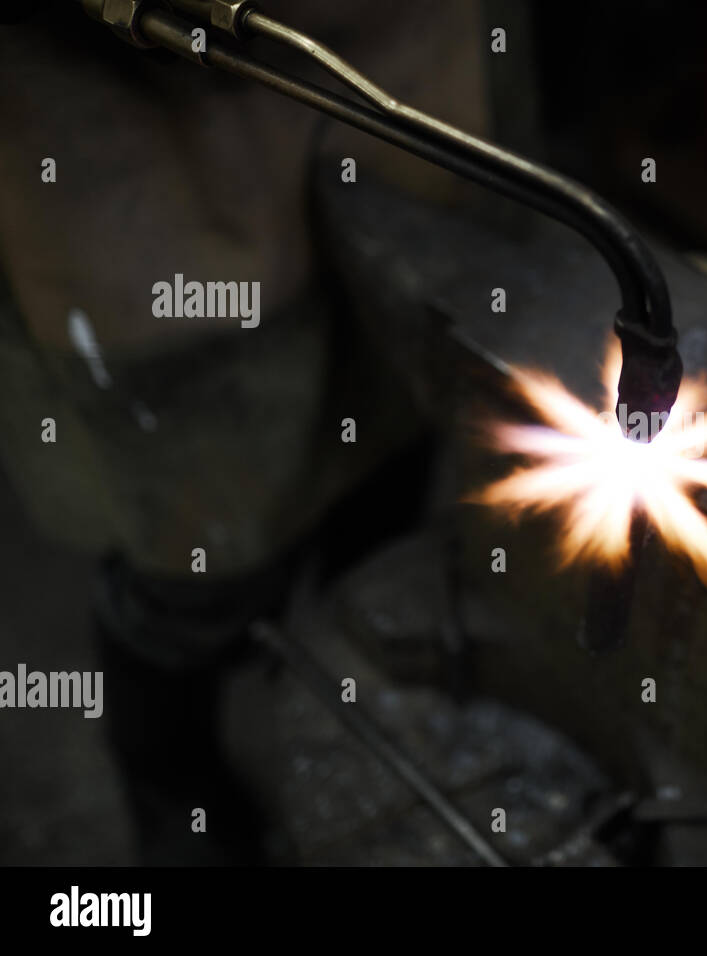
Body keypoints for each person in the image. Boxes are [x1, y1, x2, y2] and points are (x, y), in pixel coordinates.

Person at [0, 0, 490, 863]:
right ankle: (168, 774)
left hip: (397, 83)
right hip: (139, 146)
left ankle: (354, 672)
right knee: (203, 550)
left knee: (391, 438)